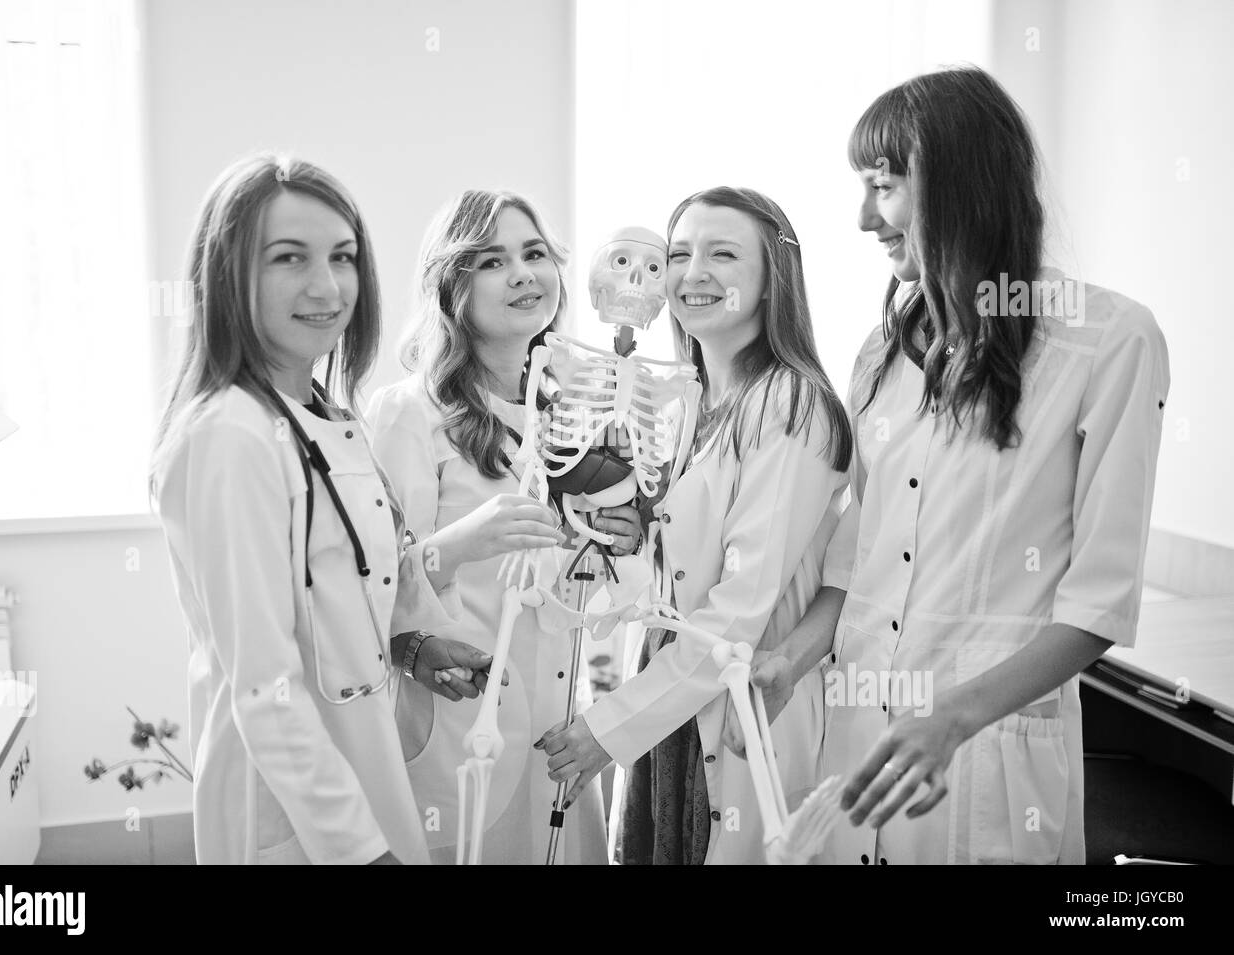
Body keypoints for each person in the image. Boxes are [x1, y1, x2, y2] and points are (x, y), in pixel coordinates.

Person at [741, 67, 1170, 864]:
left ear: (961, 182)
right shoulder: (884, 352)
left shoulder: (1108, 341)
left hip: (988, 756)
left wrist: (955, 716)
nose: (865, 216)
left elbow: (1099, 604)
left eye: (884, 185)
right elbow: (858, 553)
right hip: (863, 740)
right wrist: (789, 664)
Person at [151, 154, 494, 865]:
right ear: (226, 274)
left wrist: (411, 643)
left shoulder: (323, 413)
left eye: (343, 257)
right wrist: (363, 854)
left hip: (362, 758)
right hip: (295, 812)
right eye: (288, 258)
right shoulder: (230, 435)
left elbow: (337, 593)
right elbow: (265, 686)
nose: (327, 285)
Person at [539, 187, 853, 864]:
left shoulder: (792, 404)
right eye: (679, 254)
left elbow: (740, 605)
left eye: (723, 254)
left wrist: (610, 728)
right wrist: (630, 541)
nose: (692, 272)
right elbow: (675, 567)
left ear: (774, 281)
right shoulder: (689, 401)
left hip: (735, 714)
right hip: (674, 703)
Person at [366, 189, 642, 864]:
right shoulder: (410, 413)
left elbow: (609, 580)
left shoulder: (586, 409)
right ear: (452, 286)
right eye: (493, 260)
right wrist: (457, 546)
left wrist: (626, 542)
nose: (522, 272)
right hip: (462, 731)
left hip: (560, 731)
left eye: (534, 253)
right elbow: (371, 587)